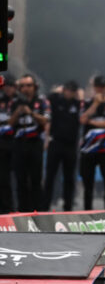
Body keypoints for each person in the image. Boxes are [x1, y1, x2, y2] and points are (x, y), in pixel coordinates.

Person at [9, 74, 50, 212]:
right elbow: (10, 123)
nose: (25, 89)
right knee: (20, 179)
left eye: (28, 85)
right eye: (23, 86)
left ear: (34, 87)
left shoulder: (42, 101)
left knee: (35, 179)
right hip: (19, 143)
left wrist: (31, 113)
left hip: (35, 143)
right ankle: (22, 210)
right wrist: (18, 112)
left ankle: (37, 210)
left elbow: (45, 120)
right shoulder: (14, 103)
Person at [79, 75, 105, 210]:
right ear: (94, 87)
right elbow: (83, 119)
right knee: (88, 184)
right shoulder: (87, 103)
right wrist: (95, 104)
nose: (100, 89)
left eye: (103, 87)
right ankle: (87, 211)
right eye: (98, 87)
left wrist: (94, 122)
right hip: (89, 149)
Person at [42, 81, 82, 211]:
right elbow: (46, 97)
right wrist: (57, 91)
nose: (69, 92)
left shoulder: (77, 104)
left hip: (70, 146)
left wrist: (79, 96)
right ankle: (45, 205)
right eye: (67, 90)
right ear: (64, 90)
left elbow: (84, 109)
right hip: (55, 143)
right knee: (50, 176)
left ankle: (68, 207)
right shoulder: (55, 100)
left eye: (72, 90)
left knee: (69, 178)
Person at [0, 74, 17, 213]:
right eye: (6, 86)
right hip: (3, 144)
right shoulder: (1, 101)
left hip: (18, 143)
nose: (8, 89)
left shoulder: (20, 101)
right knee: (3, 179)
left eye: (10, 86)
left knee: (20, 178)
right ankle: (6, 209)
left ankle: (21, 208)